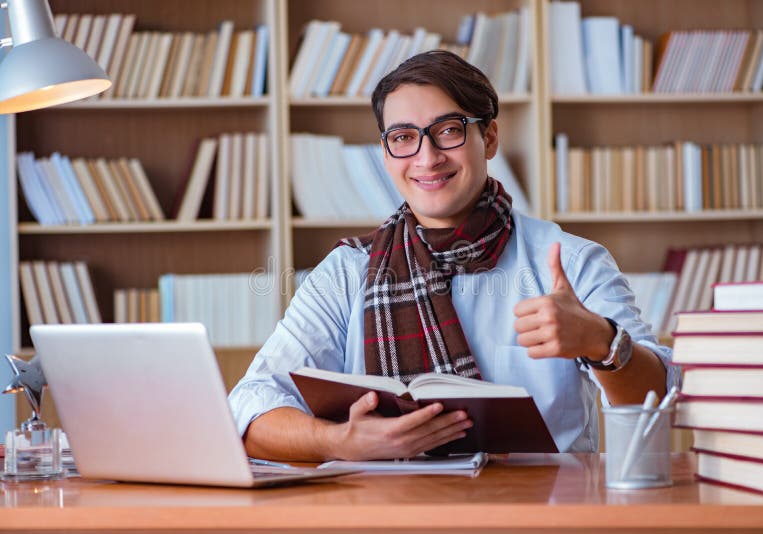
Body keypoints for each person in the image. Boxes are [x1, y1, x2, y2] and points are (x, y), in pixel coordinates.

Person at [229, 50, 678, 462]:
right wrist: (337, 442)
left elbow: (659, 403)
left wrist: (601, 342)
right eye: (403, 137)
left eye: (448, 130)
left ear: (489, 138)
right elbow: (249, 407)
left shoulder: (572, 262)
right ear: (387, 156)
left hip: (539, 514)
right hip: (384, 514)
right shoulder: (348, 271)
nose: (427, 157)